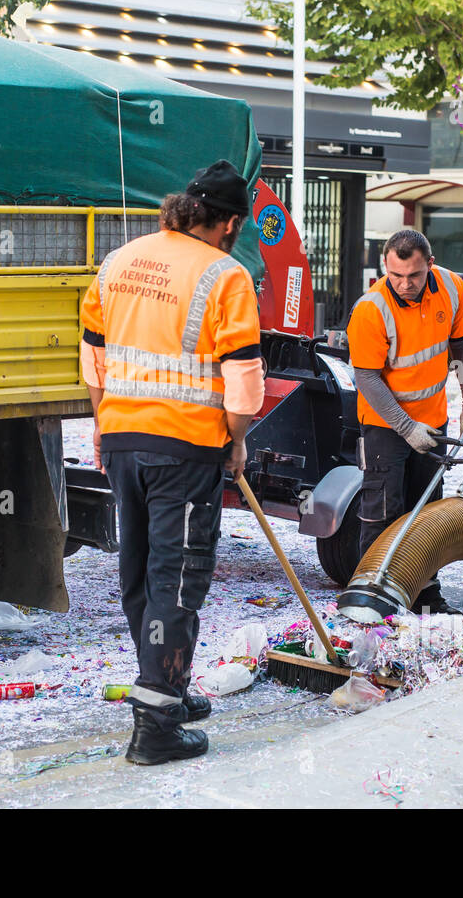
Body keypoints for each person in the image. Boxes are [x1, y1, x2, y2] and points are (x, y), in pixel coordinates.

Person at [79, 160, 264, 766]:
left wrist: (106, 424)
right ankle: (156, 726)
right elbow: (243, 384)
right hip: (185, 450)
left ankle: (165, 688)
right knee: (176, 579)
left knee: (139, 571)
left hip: (125, 439)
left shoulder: (119, 260)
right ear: (230, 222)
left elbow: (94, 356)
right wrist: (235, 439)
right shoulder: (225, 274)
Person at [343, 229, 463, 616]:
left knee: (427, 516)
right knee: (383, 512)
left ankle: (426, 596)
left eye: (414, 276)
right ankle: (372, 601)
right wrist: (406, 428)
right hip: (386, 427)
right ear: (385, 266)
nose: (404, 284)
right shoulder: (371, 309)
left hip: (433, 420)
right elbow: (367, 379)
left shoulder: (451, 288)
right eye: (396, 275)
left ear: (430, 266)